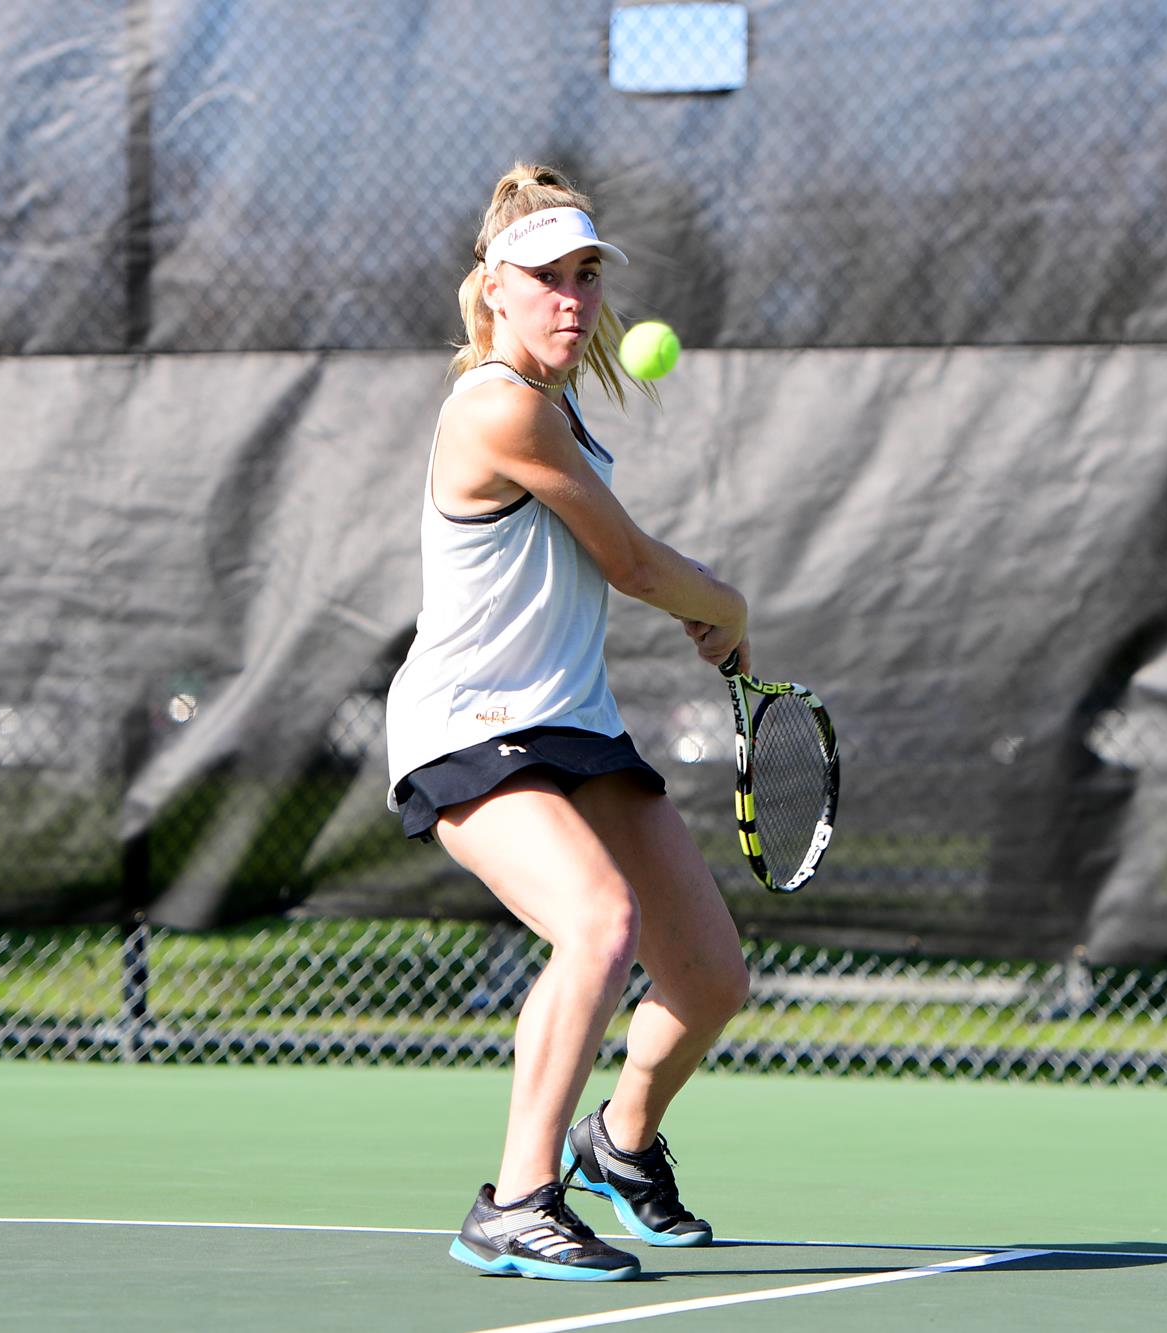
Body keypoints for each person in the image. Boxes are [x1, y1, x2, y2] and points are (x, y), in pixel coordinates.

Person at [385, 163, 753, 1282]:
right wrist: (724, 607)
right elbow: (631, 562)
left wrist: (703, 608)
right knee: (596, 925)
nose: (573, 299)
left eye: (586, 276)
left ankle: (621, 1141)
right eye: (547, 277)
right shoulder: (498, 405)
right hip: (465, 728)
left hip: (569, 723)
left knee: (709, 979)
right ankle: (515, 1197)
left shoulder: (558, 406)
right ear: (493, 287)